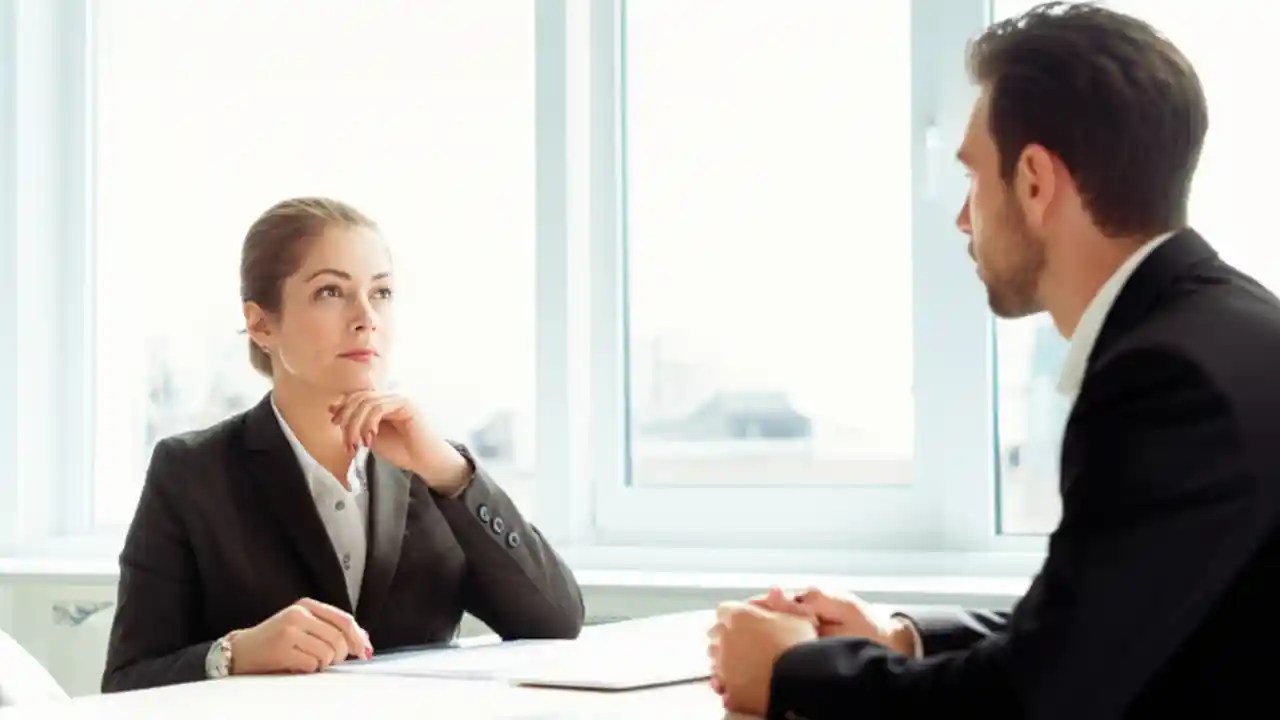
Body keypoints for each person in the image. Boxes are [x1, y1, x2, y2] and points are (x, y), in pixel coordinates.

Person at [709, 3, 1280, 718]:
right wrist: (898, 640)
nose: (961, 218)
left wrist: (794, 671)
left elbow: (1032, 702)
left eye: (973, 177)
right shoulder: (1232, 331)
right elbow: (1103, 627)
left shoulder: (1166, 380)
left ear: (1036, 180)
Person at [103, 197, 583, 692]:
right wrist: (236, 653)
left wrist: (449, 473)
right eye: (331, 292)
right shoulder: (190, 472)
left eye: (382, 292)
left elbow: (555, 622)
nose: (366, 317)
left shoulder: (435, 467)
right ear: (262, 323)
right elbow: (125, 681)